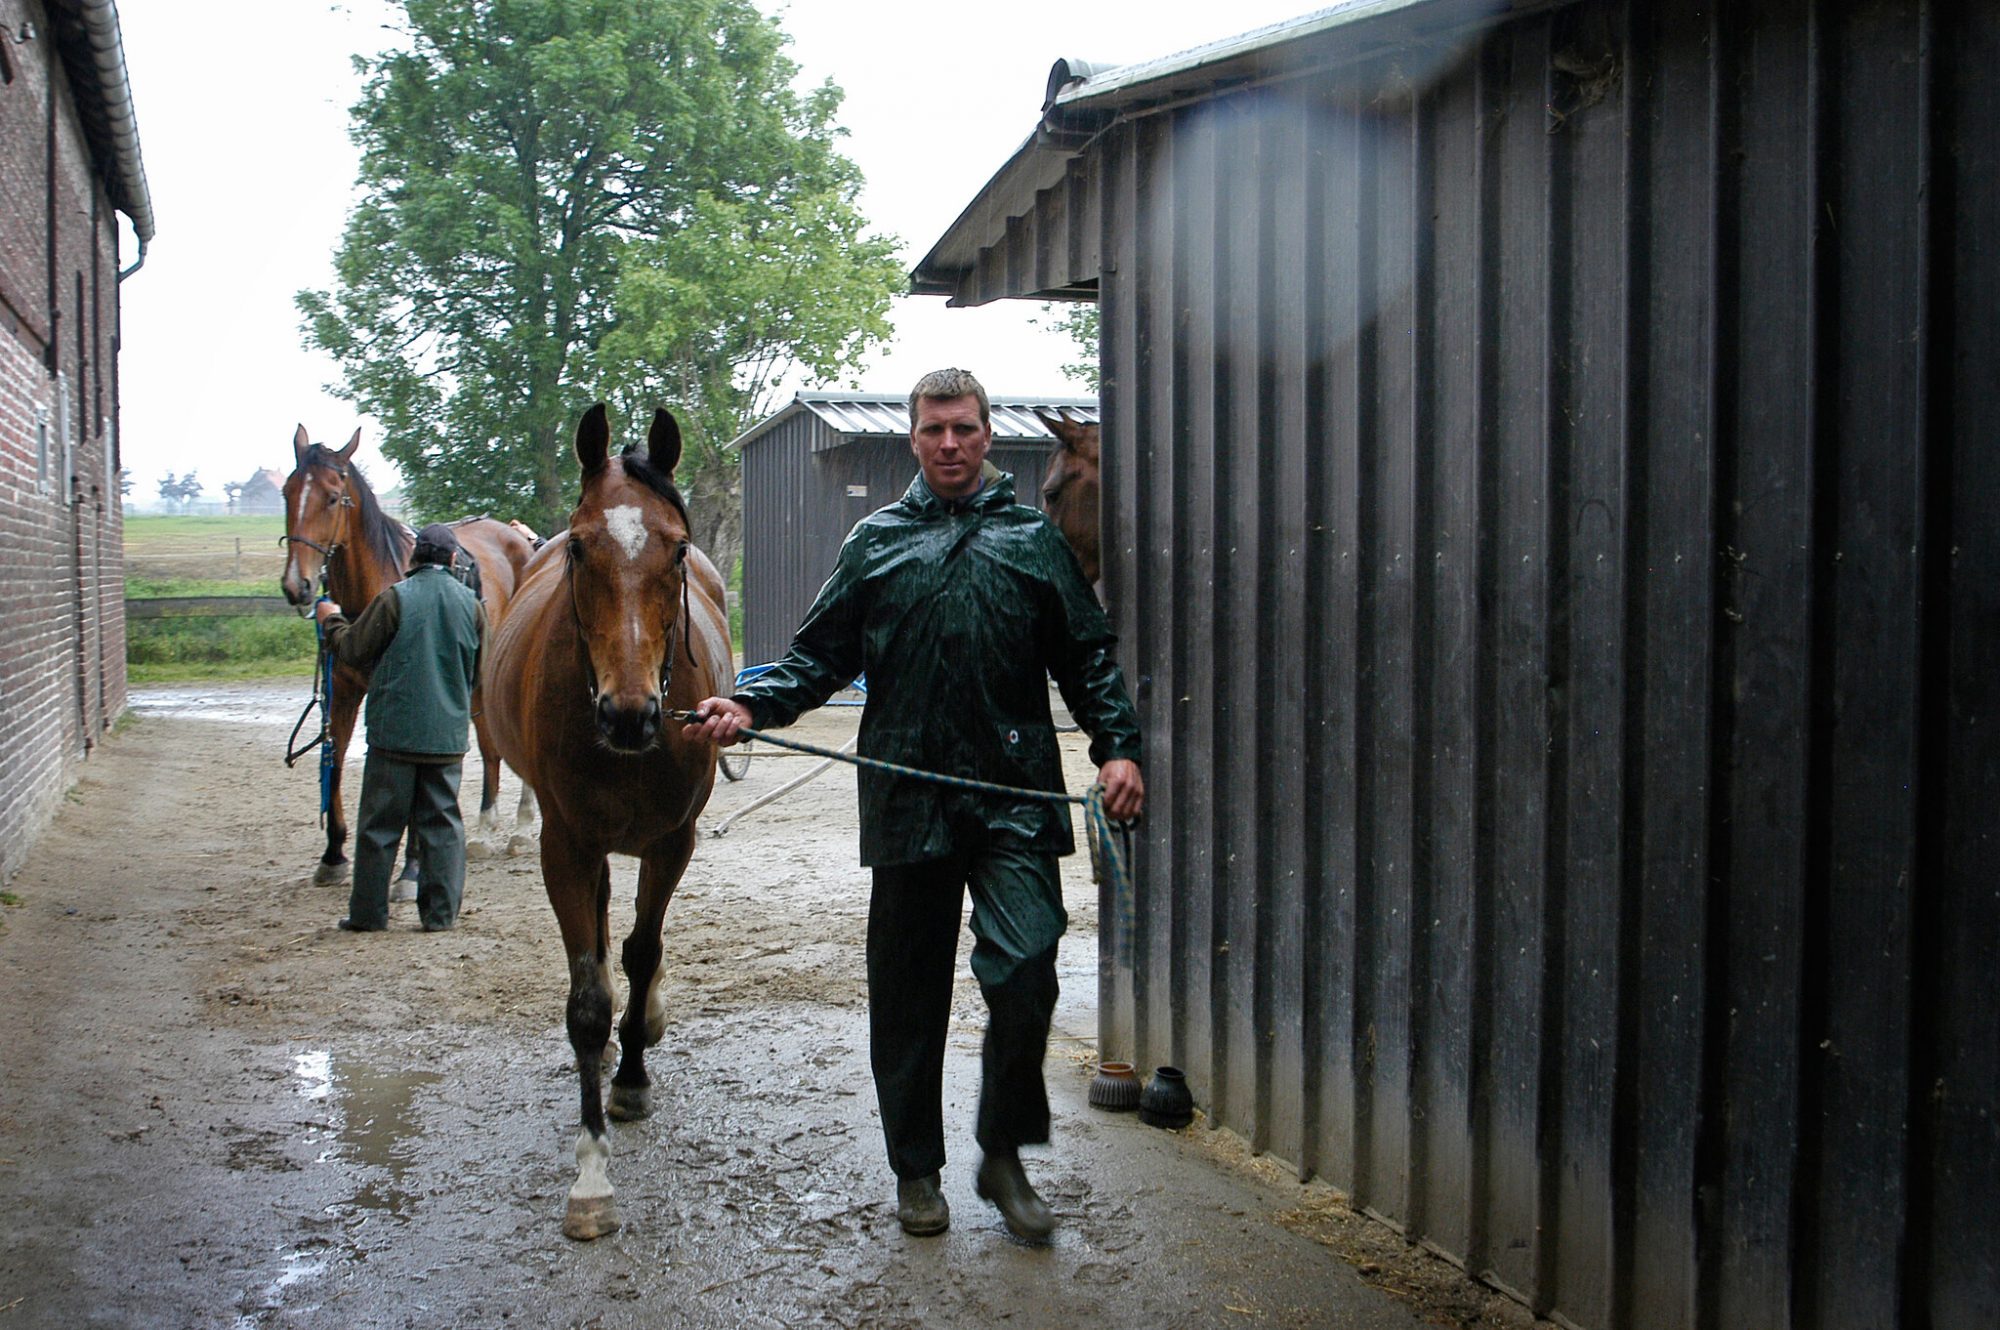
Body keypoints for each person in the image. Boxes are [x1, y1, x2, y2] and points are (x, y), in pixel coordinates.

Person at [683, 368, 1145, 1243]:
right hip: (906, 796)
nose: (950, 444)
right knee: (908, 991)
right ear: (913, 438)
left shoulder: (1032, 541)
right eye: (934, 429)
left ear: (985, 435)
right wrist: (751, 704)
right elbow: (817, 656)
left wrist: (1118, 746)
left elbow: (1087, 660)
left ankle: (1002, 1151)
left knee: (1028, 965)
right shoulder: (875, 542)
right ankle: (917, 1172)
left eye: (964, 428)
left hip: (1010, 793)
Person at [314, 522, 486, 935]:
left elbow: (353, 650)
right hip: (446, 739)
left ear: (413, 559)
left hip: (394, 737)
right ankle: (440, 916)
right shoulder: (474, 607)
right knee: (444, 827)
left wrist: (331, 621)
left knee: (379, 826)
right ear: (450, 560)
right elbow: (477, 676)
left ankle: (369, 915)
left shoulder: (394, 598)